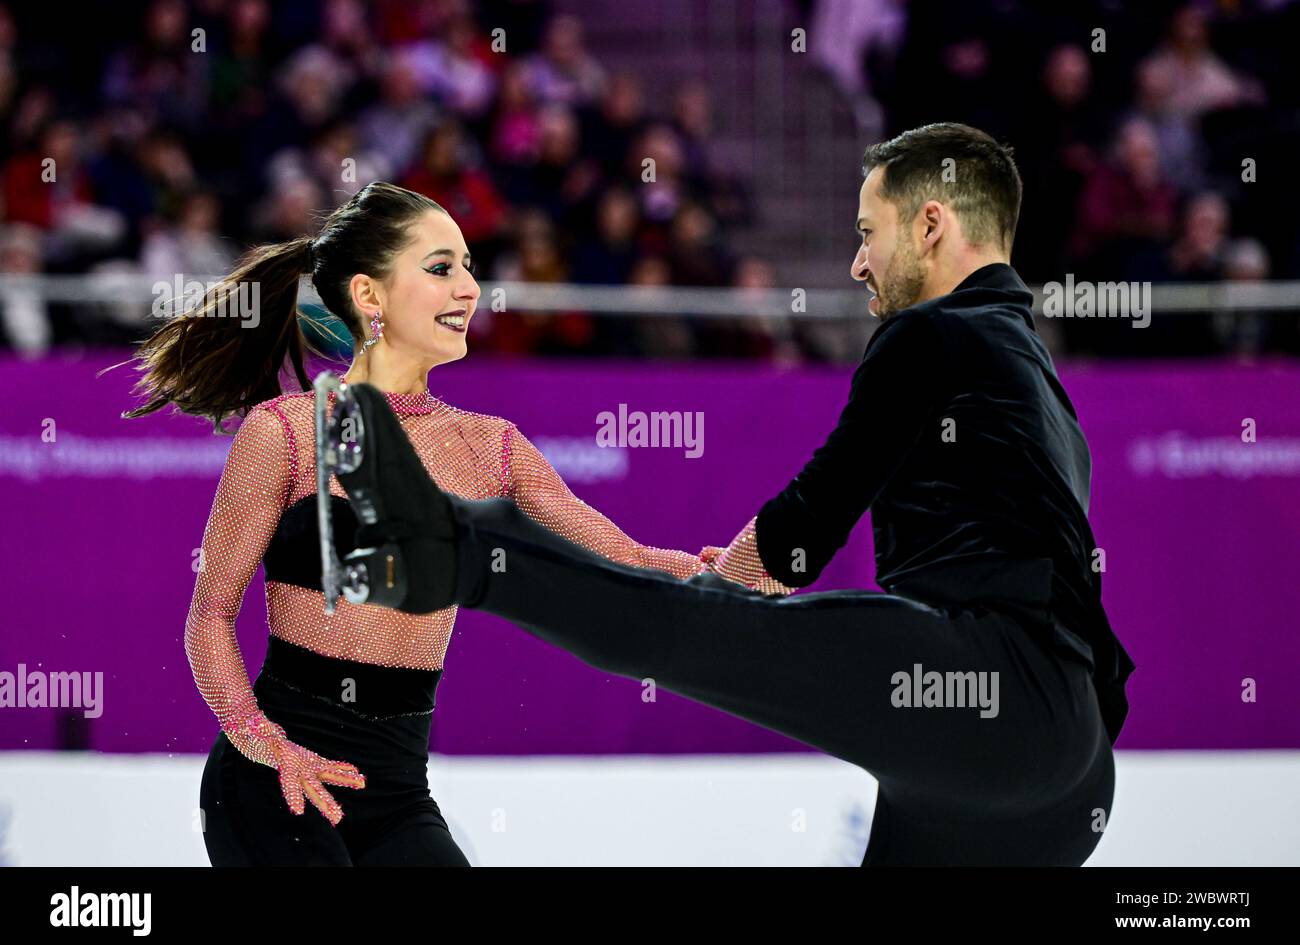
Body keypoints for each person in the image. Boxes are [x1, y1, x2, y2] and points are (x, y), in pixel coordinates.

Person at [323, 125, 1138, 866]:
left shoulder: (935, 330)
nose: (858, 264)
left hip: (990, 699)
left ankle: (452, 542)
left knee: (679, 627)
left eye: (867, 234)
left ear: (930, 225)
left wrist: (722, 588)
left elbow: (807, 526)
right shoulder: (1040, 378)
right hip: (1068, 779)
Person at [118, 182, 769, 865]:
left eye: (468, 267)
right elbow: (211, 615)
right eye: (440, 268)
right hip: (272, 778)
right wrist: (259, 738)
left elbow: (621, 555)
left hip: (398, 794)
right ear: (370, 296)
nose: (468, 289)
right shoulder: (284, 432)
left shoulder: (493, 447)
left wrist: (725, 574)